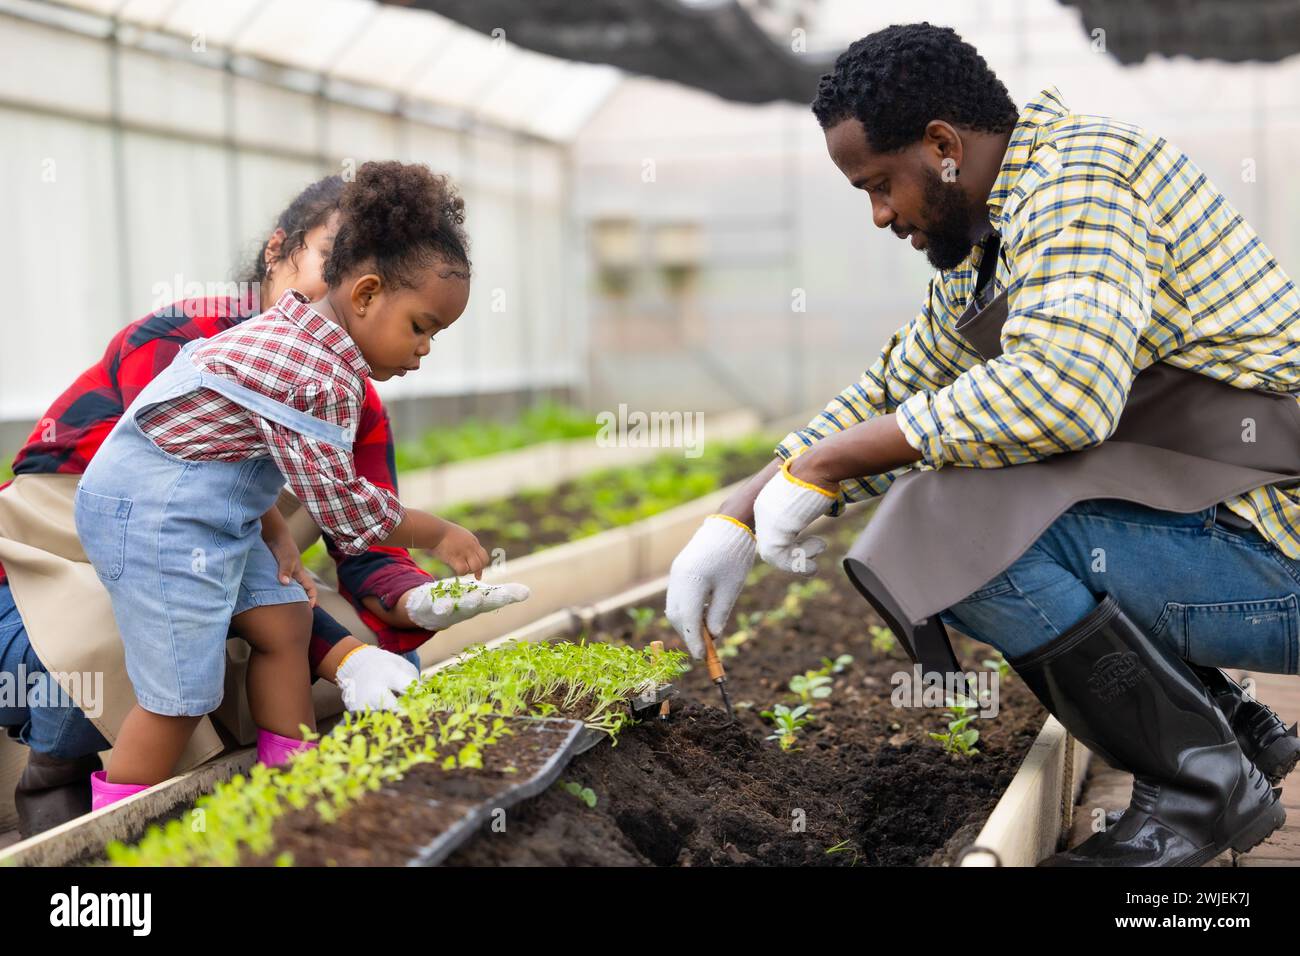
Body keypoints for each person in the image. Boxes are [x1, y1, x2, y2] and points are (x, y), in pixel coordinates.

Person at [666, 22, 1300, 867]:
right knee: (956, 490)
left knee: (942, 522)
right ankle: (1223, 726)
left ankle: (1200, 788)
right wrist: (741, 511)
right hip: (1238, 532)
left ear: (942, 145)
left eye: (881, 184)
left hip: (1280, 550)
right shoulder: (991, 242)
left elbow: (1064, 392)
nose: (881, 214)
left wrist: (828, 467)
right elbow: (898, 389)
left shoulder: (1082, 183)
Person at [0, 171, 526, 835]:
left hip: (209, 513)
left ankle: (292, 788)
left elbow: (222, 450)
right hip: (137, 522)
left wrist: (288, 532)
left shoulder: (301, 338)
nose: (424, 351)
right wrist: (440, 533)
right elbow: (347, 512)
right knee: (177, 693)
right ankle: (109, 832)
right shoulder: (303, 370)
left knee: (285, 621)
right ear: (355, 286)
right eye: (422, 329)